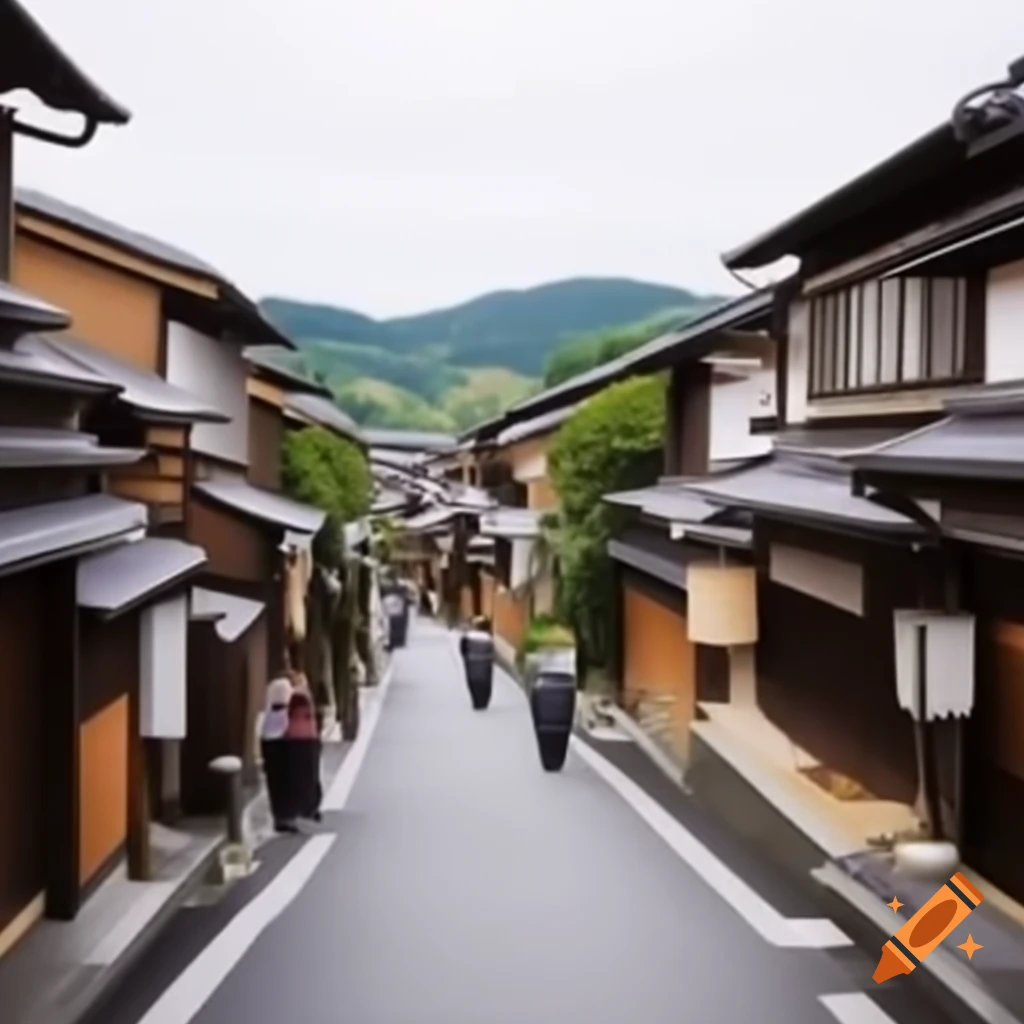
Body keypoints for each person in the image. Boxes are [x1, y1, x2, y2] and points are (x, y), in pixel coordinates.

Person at [261, 677, 297, 834]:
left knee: (275, 782)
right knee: (285, 781)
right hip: (283, 741)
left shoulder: (267, 716)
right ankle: (286, 816)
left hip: (270, 742)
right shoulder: (286, 713)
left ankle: (280, 816)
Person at [286, 689, 323, 823]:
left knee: (297, 776)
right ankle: (312, 808)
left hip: (294, 741)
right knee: (311, 775)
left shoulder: (291, 707)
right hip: (309, 740)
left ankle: (299, 807)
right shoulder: (307, 703)